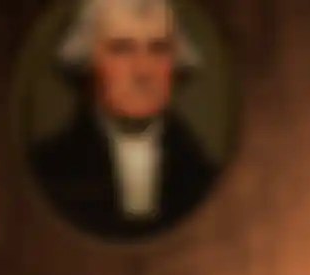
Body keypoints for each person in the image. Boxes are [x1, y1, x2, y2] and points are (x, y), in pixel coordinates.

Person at [30, 0, 217, 238]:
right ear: (88, 63)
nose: (143, 71)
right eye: (122, 49)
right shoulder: (51, 170)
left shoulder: (201, 172)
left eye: (159, 49)